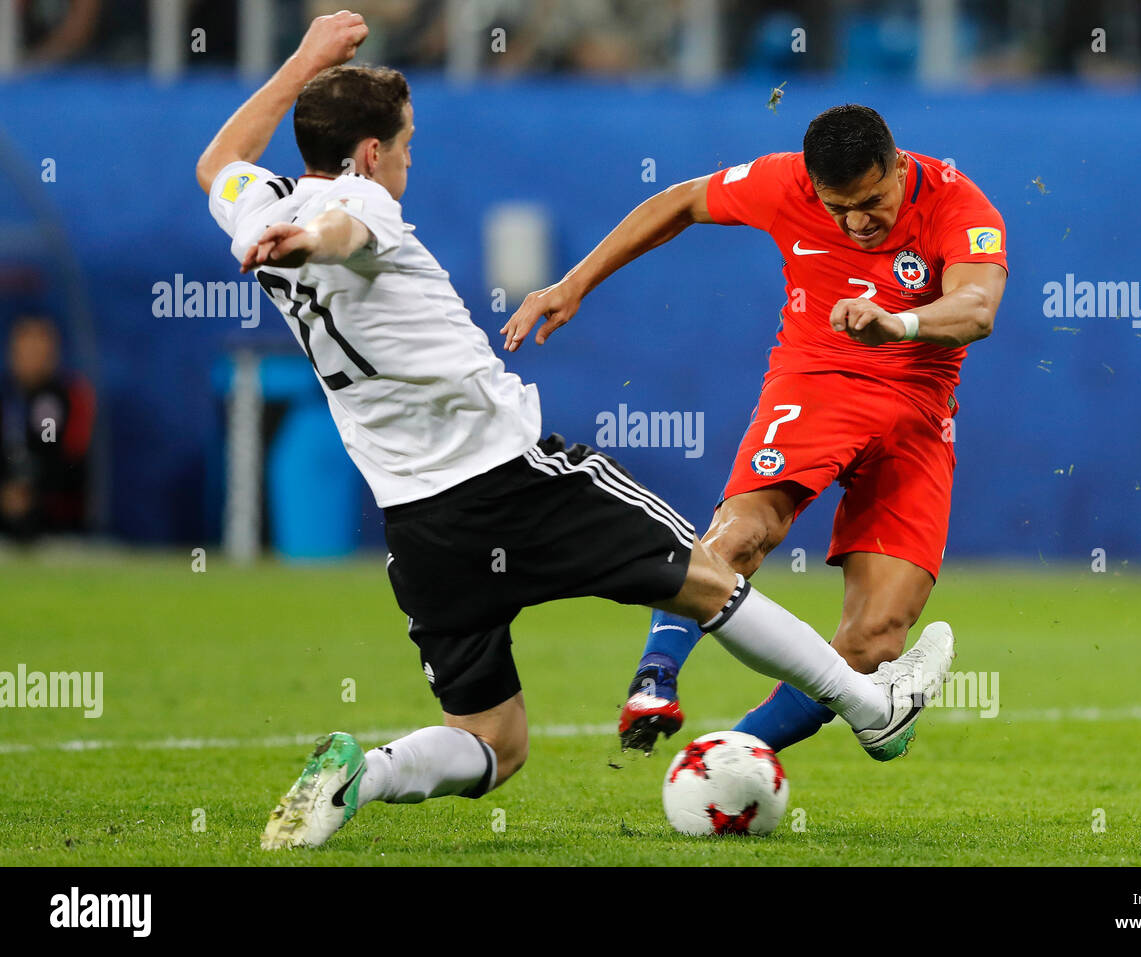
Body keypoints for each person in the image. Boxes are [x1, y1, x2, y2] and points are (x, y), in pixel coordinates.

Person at [195, 11, 955, 850]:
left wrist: (301, 63)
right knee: (707, 577)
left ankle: (362, 774)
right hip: (512, 477)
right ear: (372, 152)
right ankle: (872, 707)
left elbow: (217, 163)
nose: (411, 157)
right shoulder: (359, 201)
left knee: (494, 742)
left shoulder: (256, 206)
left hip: (416, 519)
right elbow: (344, 228)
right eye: (406, 143)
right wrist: (310, 241)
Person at [503, 104, 1007, 758]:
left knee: (878, 638)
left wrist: (899, 323)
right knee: (743, 533)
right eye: (838, 208)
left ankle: (726, 758)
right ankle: (655, 678)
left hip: (918, 411)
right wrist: (575, 283)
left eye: (871, 202)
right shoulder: (783, 182)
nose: (856, 222)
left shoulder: (957, 203)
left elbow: (977, 307)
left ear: (898, 166)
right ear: (814, 186)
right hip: (817, 382)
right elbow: (682, 201)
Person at [0, 315, 95, 540]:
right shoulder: (7, 396)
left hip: (55, 521)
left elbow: (65, 457)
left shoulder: (64, 398)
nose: (32, 355)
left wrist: (29, 493)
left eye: (39, 347)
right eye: (25, 347)